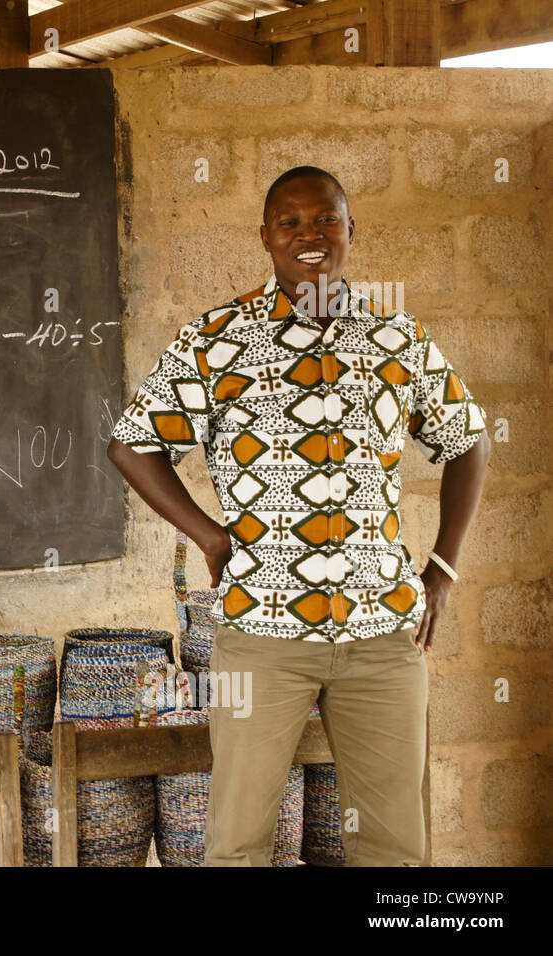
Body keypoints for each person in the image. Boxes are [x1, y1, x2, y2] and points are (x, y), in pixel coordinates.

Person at [108, 165, 491, 866]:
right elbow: (132, 444)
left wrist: (442, 569)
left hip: (381, 634)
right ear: (265, 236)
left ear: (351, 230)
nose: (310, 235)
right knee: (239, 842)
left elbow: (468, 441)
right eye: (291, 222)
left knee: (394, 844)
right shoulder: (218, 338)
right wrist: (209, 533)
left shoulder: (395, 337)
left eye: (326, 220)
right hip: (262, 633)